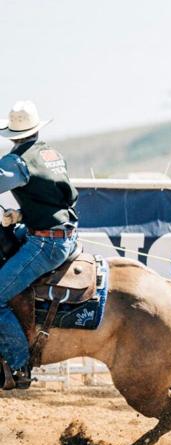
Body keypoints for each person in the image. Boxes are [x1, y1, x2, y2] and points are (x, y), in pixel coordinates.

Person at [0, 101, 79, 390]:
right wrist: (20, 215)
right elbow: (57, 198)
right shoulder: (51, 153)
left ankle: (20, 366)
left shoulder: (16, 161)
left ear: (12, 133)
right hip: (66, 235)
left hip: (46, 243)